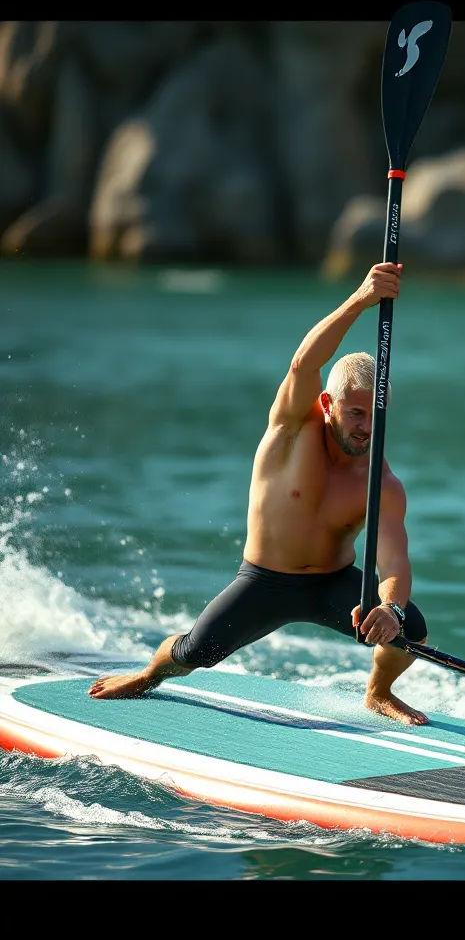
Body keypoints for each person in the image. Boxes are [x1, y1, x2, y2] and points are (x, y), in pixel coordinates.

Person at [88, 261, 430, 725]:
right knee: (196, 652)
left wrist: (389, 608)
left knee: (413, 628)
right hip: (265, 581)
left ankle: (378, 691)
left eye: (375, 416)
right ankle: (150, 674)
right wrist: (361, 300)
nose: (366, 428)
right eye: (355, 413)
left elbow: (394, 563)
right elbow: (304, 363)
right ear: (327, 405)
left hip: (334, 583)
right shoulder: (291, 428)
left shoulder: (382, 482)